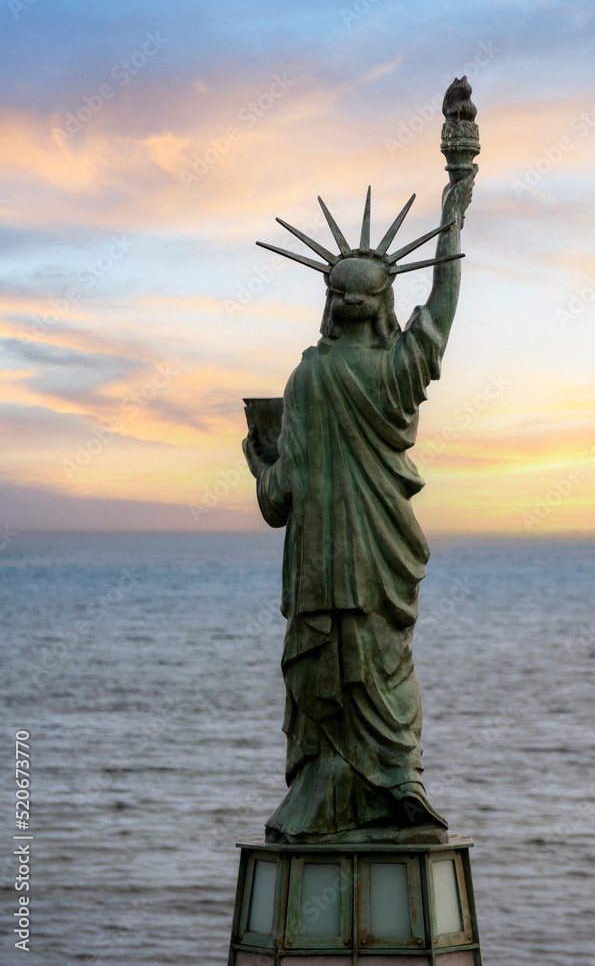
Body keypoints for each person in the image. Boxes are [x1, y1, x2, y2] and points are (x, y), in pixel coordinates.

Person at [243, 165, 477, 843]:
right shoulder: (399, 368)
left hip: (320, 566)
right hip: (381, 557)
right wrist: (452, 214)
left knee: (324, 676)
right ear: (382, 303)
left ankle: (326, 800)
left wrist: (258, 457)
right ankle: (397, 780)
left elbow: (279, 498)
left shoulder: (308, 377)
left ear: (331, 302)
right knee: (384, 661)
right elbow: (440, 312)